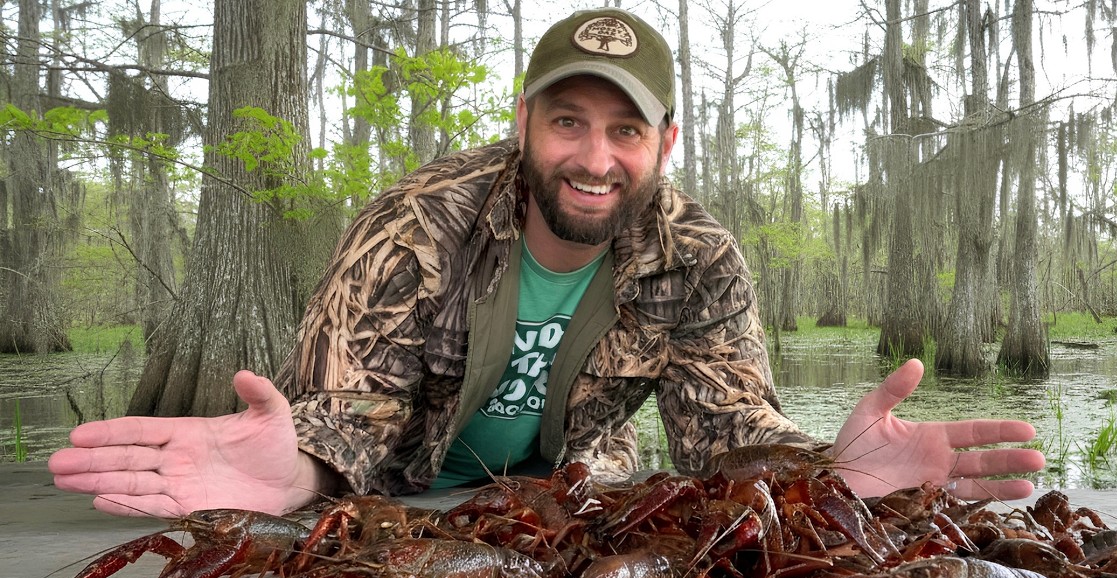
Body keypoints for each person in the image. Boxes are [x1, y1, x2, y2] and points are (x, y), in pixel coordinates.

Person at [49, 8, 1043, 519]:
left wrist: (822, 467)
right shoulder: (413, 225)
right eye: (567, 121)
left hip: (576, 500)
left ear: (665, 140)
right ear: (524, 121)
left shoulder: (697, 257)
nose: (593, 158)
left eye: (622, 129)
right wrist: (297, 464)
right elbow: (349, 412)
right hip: (407, 500)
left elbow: (721, 433)